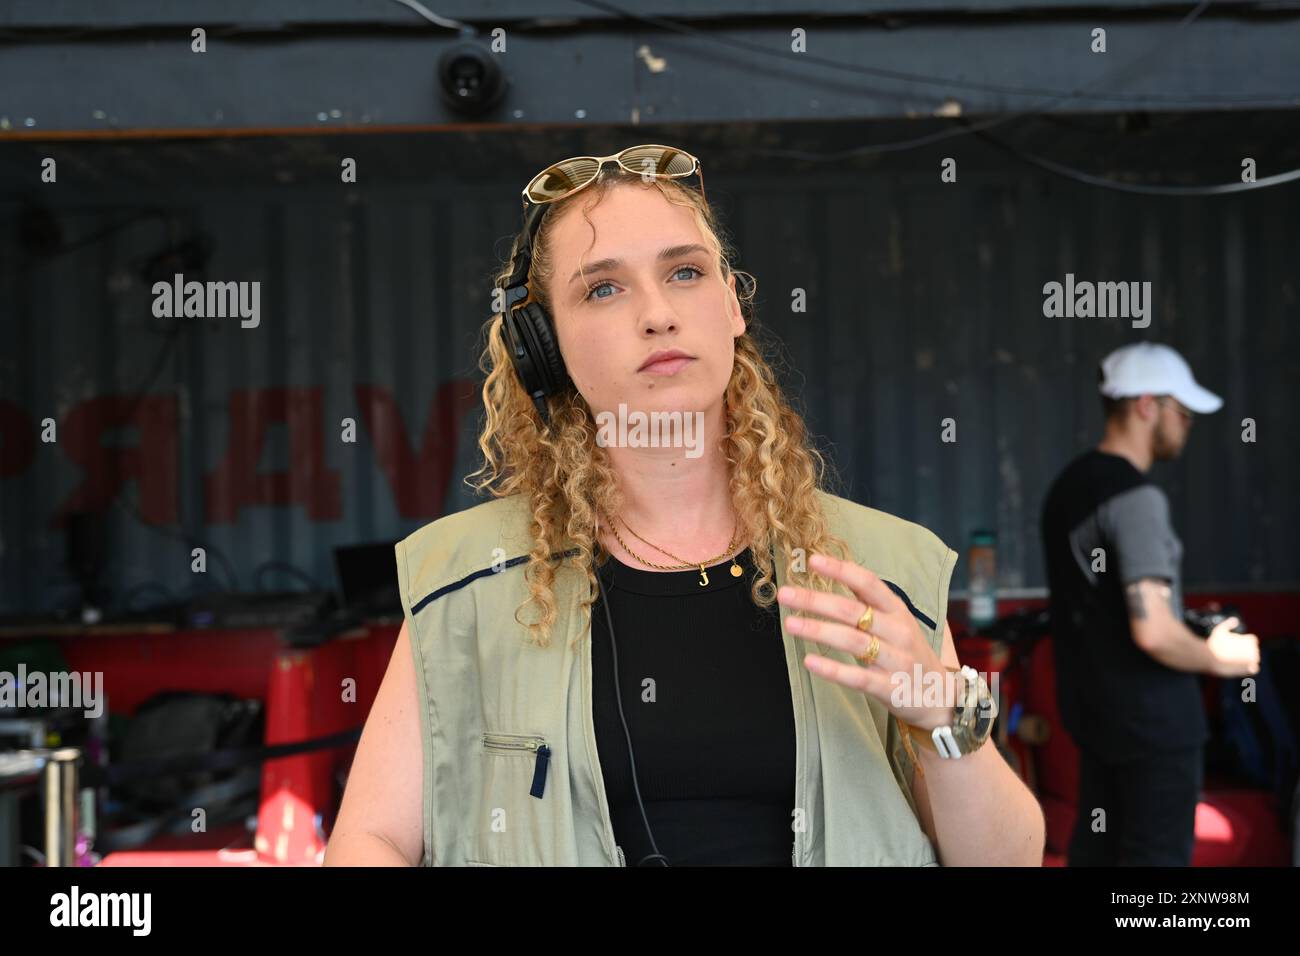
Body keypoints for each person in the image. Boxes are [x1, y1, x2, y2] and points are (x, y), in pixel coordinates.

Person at [325, 144, 1043, 866]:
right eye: (603, 289)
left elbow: (1006, 860)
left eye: (686, 272)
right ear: (542, 345)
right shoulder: (467, 579)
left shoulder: (877, 567)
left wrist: (942, 715)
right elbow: (371, 838)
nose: (659, 313)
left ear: (732, 304)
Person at [1040, 342, 1261, 866]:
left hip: (1099, 725)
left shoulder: (1067, 489)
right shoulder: (1137, 499)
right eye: (1181, 412)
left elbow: (1103, 612)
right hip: (1156, 731)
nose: (1187, 425)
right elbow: (1153, 631)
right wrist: (1223, 657)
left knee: (1096, 855)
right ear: (1146, 405)